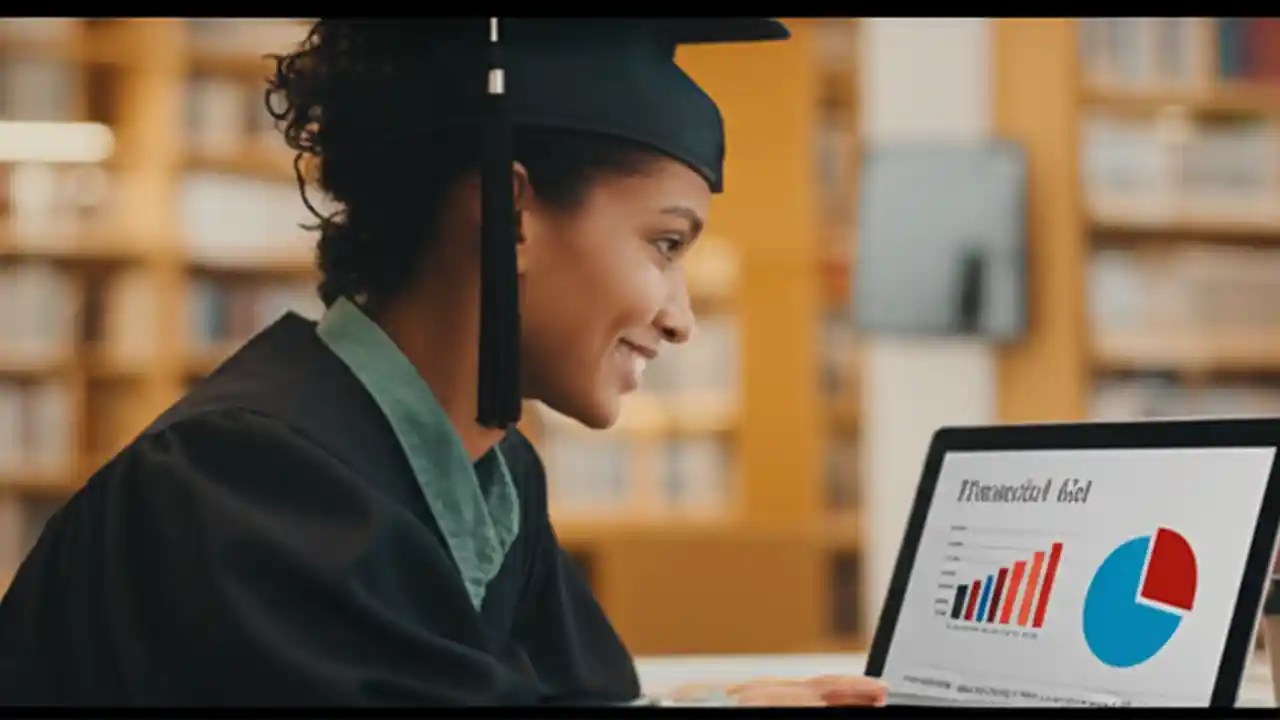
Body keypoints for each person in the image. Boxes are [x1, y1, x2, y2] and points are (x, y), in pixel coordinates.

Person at [0, 18, 888, 706]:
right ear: (509, 215)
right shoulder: (246, 476)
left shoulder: (492, 477)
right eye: (663, 244)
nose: (681, 317)